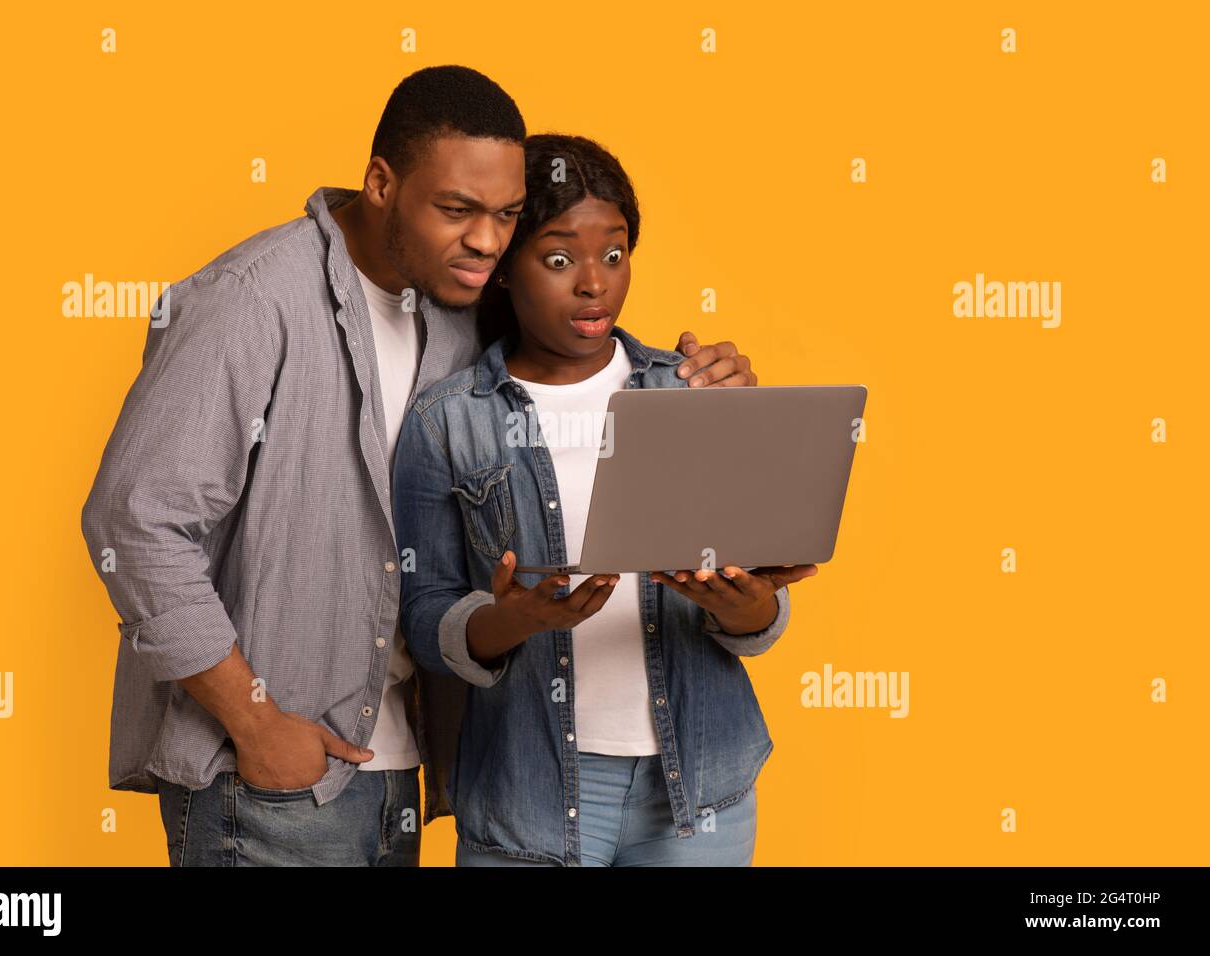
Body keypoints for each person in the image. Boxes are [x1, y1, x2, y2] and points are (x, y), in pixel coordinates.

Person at [80, 66, 759, 867]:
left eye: (506, 215)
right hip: (265, 783)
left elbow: (571, 337)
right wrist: (257, 724)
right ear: (380, 183)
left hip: (398, 776)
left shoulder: (453, 310)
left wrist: (699, 382)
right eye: (456, 209)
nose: (485, 239)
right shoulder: (253, 301)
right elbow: (134, 521)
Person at [392, 134, 818, 867]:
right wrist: (507, 621)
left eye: (613, 255)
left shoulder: (692, 392)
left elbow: (760, 613)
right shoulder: (447, 420)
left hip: (699, 787)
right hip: (531, 795)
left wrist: (744, 606)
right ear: (502, 271)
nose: (594, 283)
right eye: (559, 259)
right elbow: (423, 611)